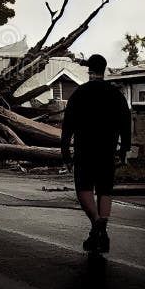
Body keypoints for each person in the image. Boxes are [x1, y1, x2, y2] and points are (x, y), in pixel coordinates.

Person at [60, 54, 131, 253]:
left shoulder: (79, 94)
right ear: (105, 69)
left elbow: (68, 126)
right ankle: (100, 233)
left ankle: (98, 225)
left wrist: (65, 152)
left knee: (83, 188)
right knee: (105, 190)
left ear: (89, 70)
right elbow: (126, 123)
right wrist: (124, 149)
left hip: (85, 150)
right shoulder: (116, 94)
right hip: (107, 151)